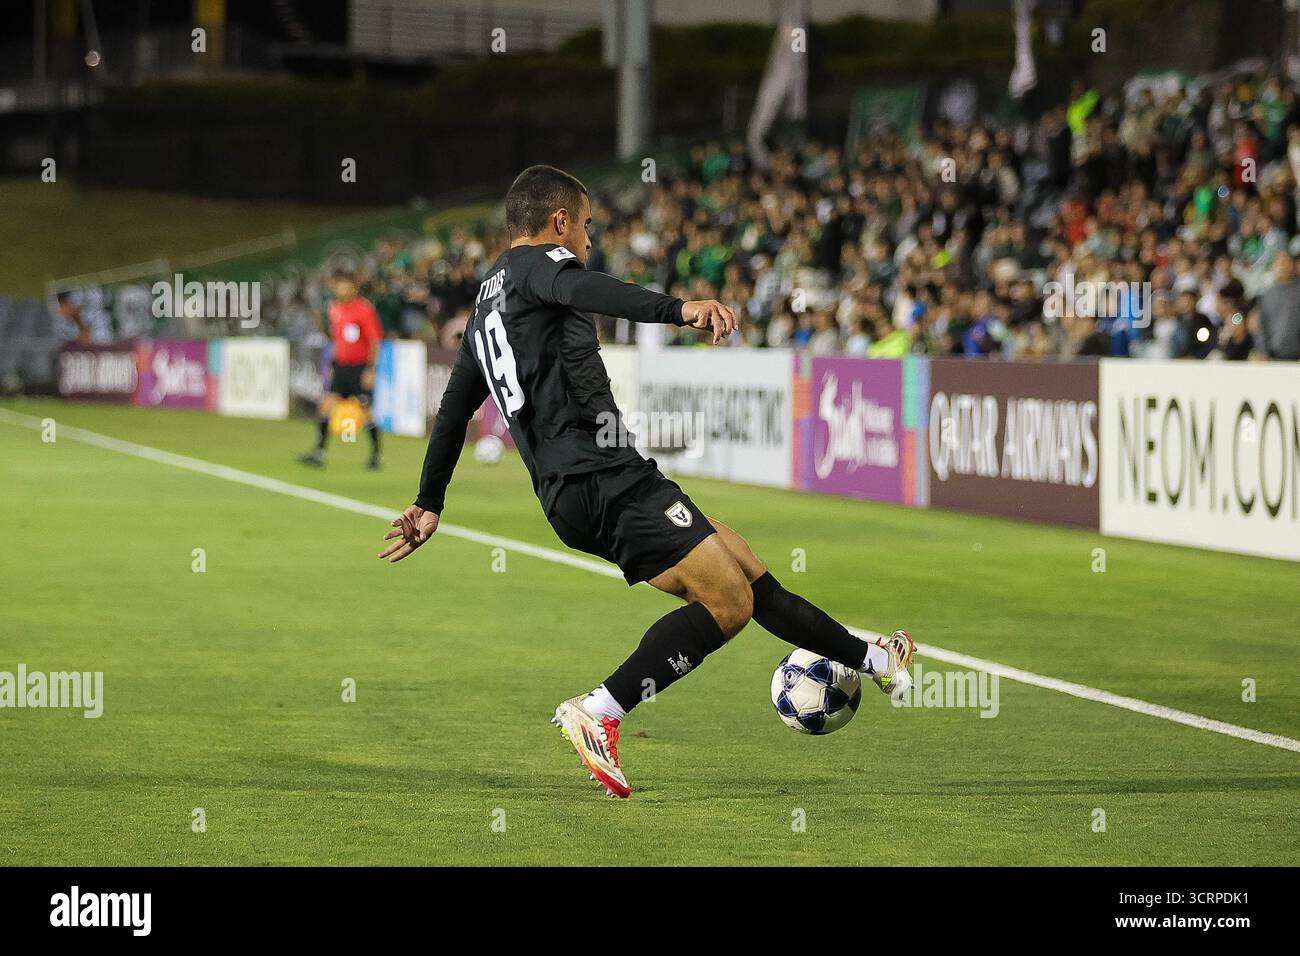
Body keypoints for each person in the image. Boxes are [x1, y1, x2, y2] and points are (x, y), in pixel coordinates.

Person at [377, 166, 915, 799]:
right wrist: (680, 310)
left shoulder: (487, 303)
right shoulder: (541, 269)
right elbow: (597, 291)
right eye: (585, 226)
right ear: (558, 224)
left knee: (735, 560)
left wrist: (428, 501)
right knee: (728, 602)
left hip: (575, 488)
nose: (587, 239)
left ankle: (873, 660)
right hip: (602, 475)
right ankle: (601, 710)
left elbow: (453, 410)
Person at [299, 270, 384, 469]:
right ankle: (319, 453)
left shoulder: (364, 309)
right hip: (342, 367)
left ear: (353, 287)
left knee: (366, 411)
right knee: (326, 406)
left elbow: (375, 340)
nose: (341, 289)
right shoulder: (335, 309)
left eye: (345, 285)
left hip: (359, 367)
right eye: (338, 285)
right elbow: (338, 340)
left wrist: (371, 369)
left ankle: (376, 455)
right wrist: (333, 366)